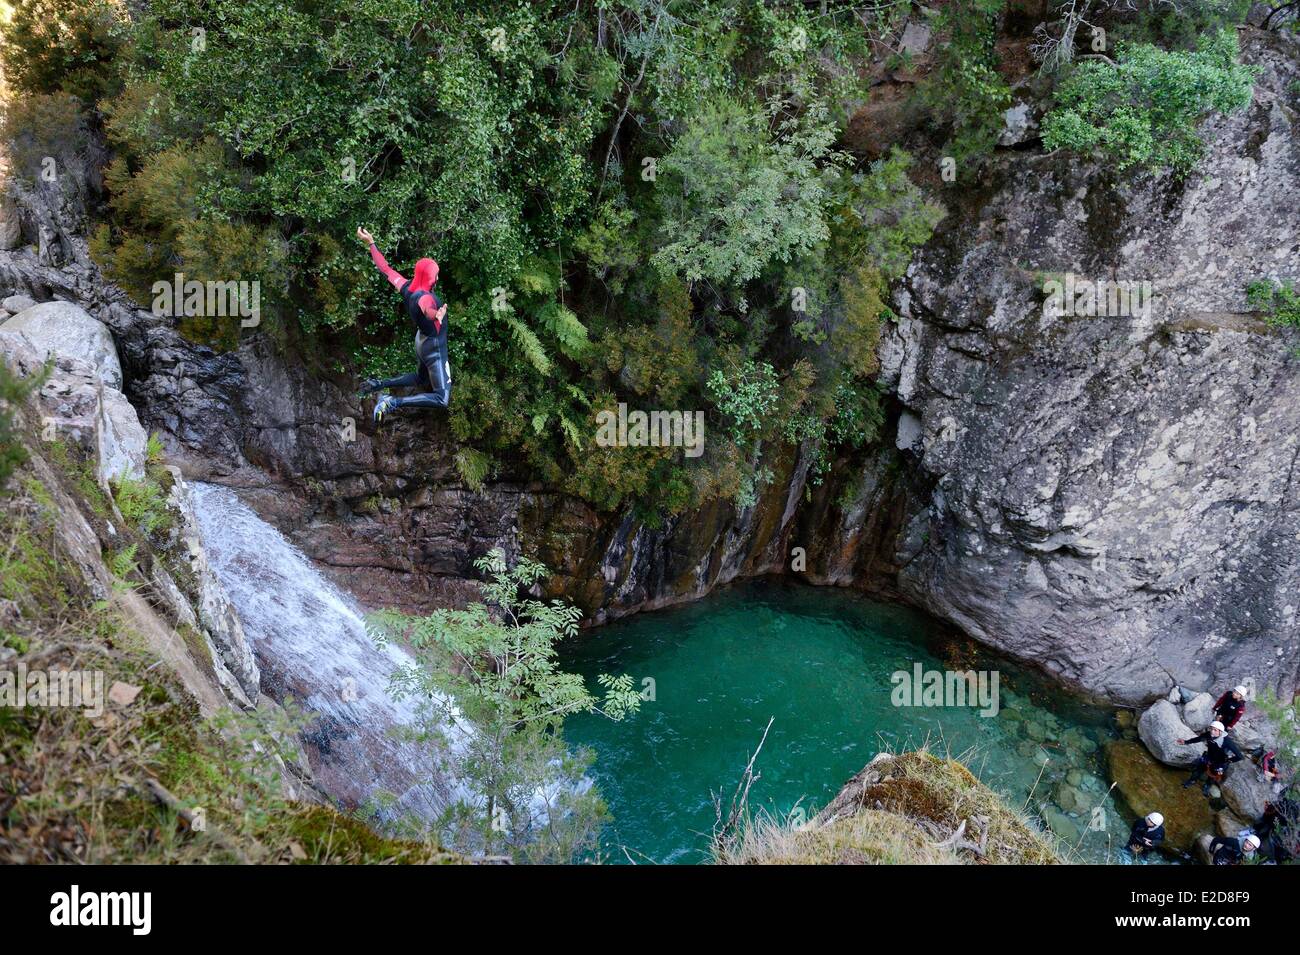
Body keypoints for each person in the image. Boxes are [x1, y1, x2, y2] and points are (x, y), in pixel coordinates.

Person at [355, 227, 450, 422]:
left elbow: (385, 269)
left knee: (421, 378)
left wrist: (371, 243)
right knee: (442, 399)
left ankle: (379, 384)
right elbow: (426, 308)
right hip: (433, 348)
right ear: (432, 279)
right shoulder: (425, 298)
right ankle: (392, 402)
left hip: (421, 341)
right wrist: (436, 315)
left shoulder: (406, 287)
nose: (438, 278)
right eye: (436, 275)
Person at [1178, 721, 1244, 795]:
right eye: (1211, 729)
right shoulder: (1208, 734)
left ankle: (1207, 786)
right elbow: (1199, 739)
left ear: (1220, 731)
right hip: (1209, 756)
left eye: (1215, 730)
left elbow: (1240, 756)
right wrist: (1186, 742)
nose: (1212, 731)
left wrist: (1228, 760)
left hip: (1219, 762)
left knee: (1213, 776)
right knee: (1198, 769)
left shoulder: (1226, 741)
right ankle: (1191, 780)